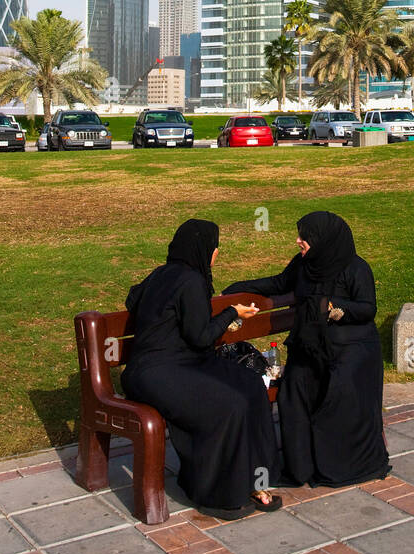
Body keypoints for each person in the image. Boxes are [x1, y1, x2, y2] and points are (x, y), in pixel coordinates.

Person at [121, 218, 282, 519]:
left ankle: (256, 479)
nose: (217, 253)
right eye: (215, 247)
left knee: (251, 387)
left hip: (179, 364)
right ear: (202, 250)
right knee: (229, 404)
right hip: (156, 372)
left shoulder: (163, 274)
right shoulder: (190, 280)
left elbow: (134, 298)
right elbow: (201, 336)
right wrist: (233, 312)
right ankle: (219, 493)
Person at [223, 211, 390, 489]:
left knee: (339, 387)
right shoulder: (304, 265)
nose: (298, 241)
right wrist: (236, 290)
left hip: (352, 347)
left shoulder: (356, 268)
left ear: (323, 240)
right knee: (293, 388)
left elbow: (368, 309)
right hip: (311, 346)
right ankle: (301, 466)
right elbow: (278, 284)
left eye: (305, 237)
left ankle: (339, 465)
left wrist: (337, 308)